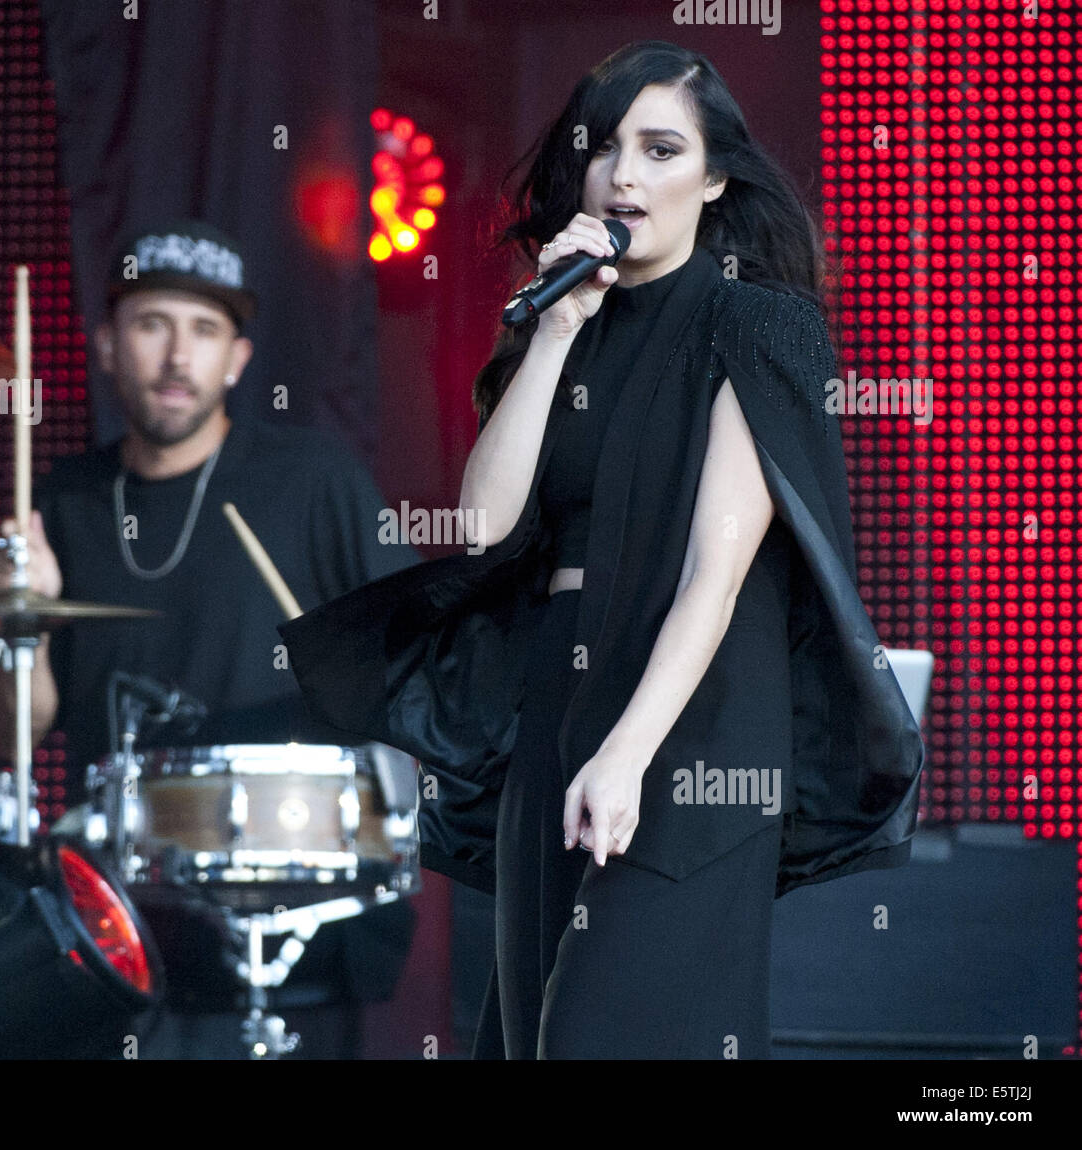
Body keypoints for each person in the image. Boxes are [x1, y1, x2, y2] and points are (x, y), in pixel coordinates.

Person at [279, 41, 924, 1059]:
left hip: (696, 713)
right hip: (560, 682)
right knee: (537, 1027)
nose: (623, 174)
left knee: (604, 1029)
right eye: (604, 148)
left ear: (714, 180)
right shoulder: (559, 322)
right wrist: (551, 329)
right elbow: (484, 527)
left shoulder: (759, 325)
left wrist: (628, 752)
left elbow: (717, 575)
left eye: (660, 149)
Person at [0, 219, 418, 1058]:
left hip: (294, 911)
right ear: (107, 345)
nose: (178, 357)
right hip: (116, 925)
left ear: (238, 360)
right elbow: (16, 732)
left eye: (205, 330)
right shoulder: (62, 499)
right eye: (152, 324)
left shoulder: (312, 478)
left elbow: (410, 657)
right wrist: (18, 625)